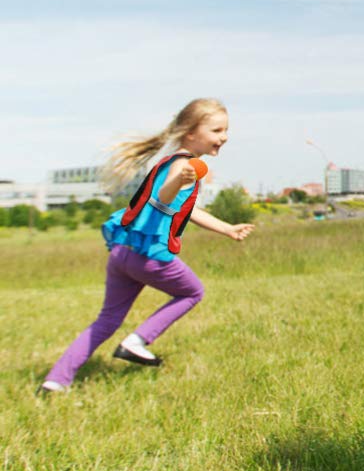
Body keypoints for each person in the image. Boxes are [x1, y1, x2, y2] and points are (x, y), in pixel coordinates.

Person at [39, 99, 253, 393]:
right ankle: (136, 342)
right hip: (149, 257)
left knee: (107, 320)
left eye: (225, 130)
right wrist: (180, 179)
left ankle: (55, 381)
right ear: (190, 133)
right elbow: (165, 198)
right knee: (192, 292)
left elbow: (184, 210)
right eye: (217, 130)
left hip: (122, 251)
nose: (224, 136)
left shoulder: (171, 162)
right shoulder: (183, 167)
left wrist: (227, 228)